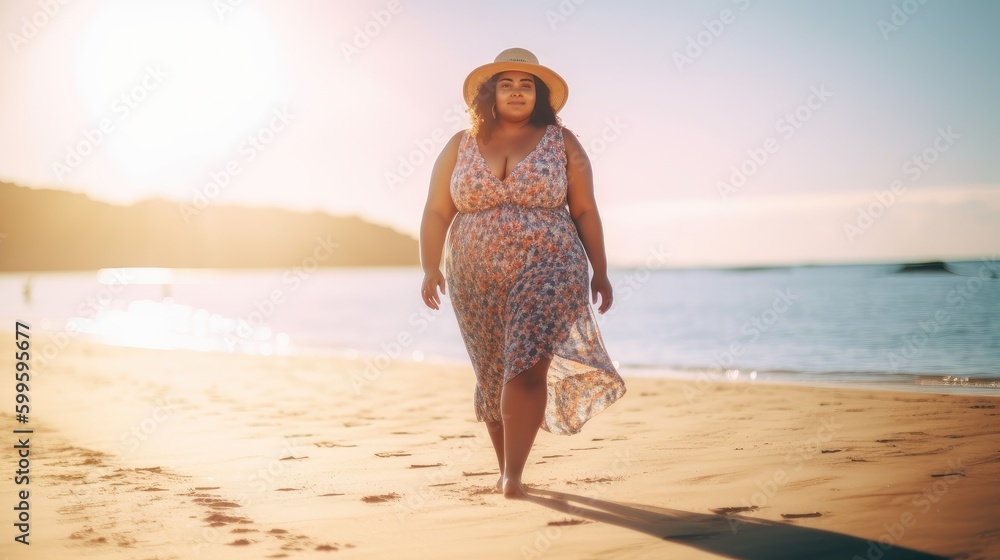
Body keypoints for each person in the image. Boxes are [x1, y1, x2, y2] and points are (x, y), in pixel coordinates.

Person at [419, 48, 626, 499]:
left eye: (527, 85)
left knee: (527, 364)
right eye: (507, 84)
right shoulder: (460, 144)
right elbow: (436, 211)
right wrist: (429, 266)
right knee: (493, 373)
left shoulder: (562, 141)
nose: (517, 92)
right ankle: (505, 467)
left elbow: (586, 209)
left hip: (551, 264)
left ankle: (513, 475)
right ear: (490, 94)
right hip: (475, 278)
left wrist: (601, 271)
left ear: (540, 96)